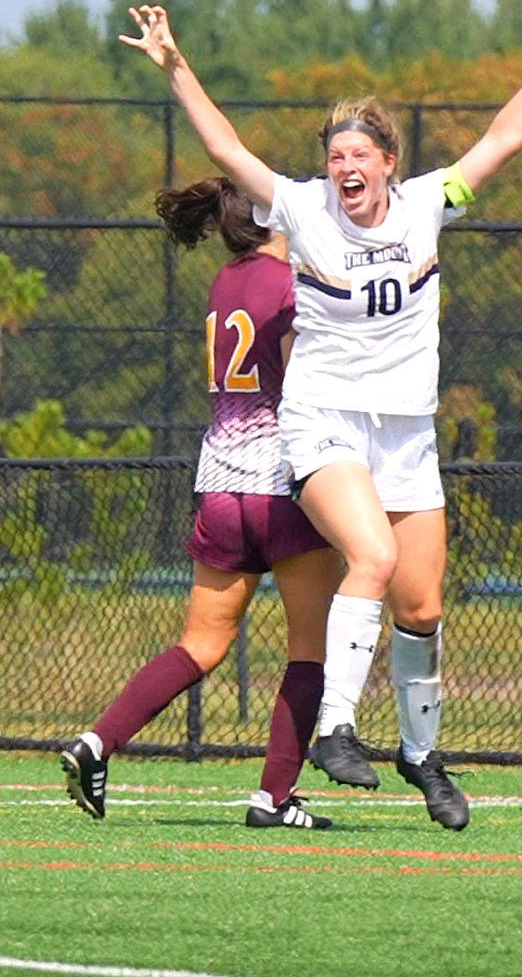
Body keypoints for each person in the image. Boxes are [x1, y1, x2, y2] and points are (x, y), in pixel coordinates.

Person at [120, 0, 522, 831]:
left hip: (405, 435)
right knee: (373, 559)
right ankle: (335, 727)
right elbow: (230, 149)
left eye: (361, 155)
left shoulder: (429, 203)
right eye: (335, 155)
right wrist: (177, 68)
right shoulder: (306, 210)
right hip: (323, 423)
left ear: (388, 160)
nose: (345, 168)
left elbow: (503, 138)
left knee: (422, 606)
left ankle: (421, 752)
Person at [61, 177, 344, 830]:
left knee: (200, 643)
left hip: (220, 478)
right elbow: (304, 380)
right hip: (282, 479)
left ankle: (97, 742)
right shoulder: (290, 286)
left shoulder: (225, 283)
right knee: (311, 649)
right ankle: (273, 797)